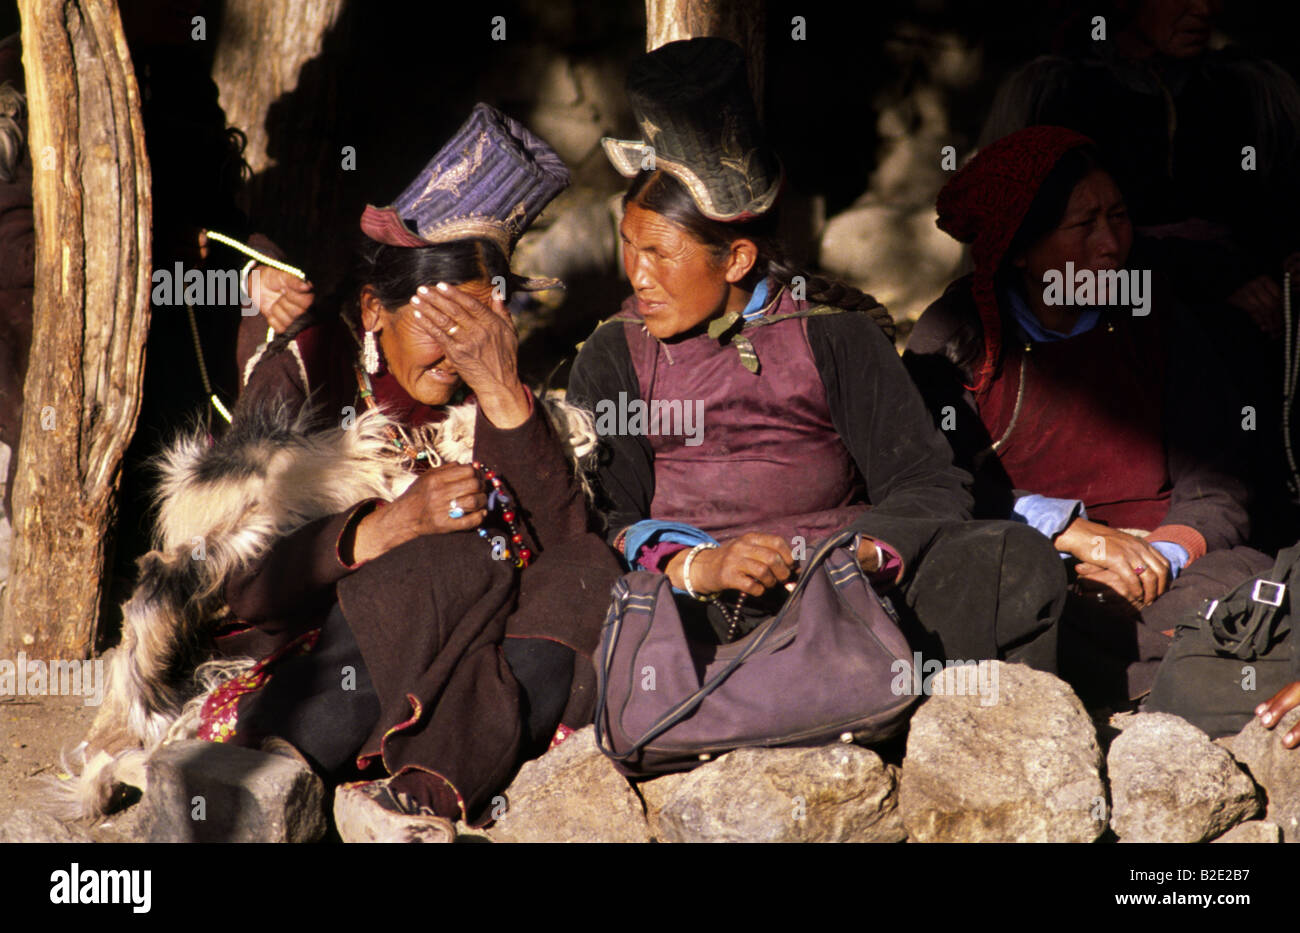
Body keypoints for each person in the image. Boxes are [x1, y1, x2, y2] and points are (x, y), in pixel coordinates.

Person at [76, 104, 622, 841]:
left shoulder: (492, 394)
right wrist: (385, 526)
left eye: (484, 326)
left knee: (583, 561)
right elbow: (237, 581)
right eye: (442, 322)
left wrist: (501, 394)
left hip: (446, 650)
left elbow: (564, 553)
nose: (462, 351)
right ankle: (285, 757)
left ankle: (421, 791)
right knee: (460, 551)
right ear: (374, 308)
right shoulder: (308, 366)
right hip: (303, 666)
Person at [568, 38, 1066, 680]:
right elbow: (607, 515)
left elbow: (927, 482)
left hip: (847, 587)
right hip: (696, 605)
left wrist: (857, 555)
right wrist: (704, 566)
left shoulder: (836, 335)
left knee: (1013, 562)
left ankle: (945, 724)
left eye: (660, 254)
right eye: (628, 246)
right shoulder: (616, 350)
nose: (637, 274)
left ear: (738, 260)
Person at [905, 125, 1267, 707]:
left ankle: (1152, 667)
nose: (1110, 244)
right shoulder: (957, 336)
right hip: (1036, 566)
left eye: (1118, 218)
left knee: (1258, 578)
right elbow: (931, 486)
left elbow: (1218, 484)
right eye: (1083, 226)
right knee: (1007, 606)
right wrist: (1077, 537)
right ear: (1018, 249)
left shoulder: (1157, 318)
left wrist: (1162, 556)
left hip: (1164, 570)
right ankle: (1183, 670)